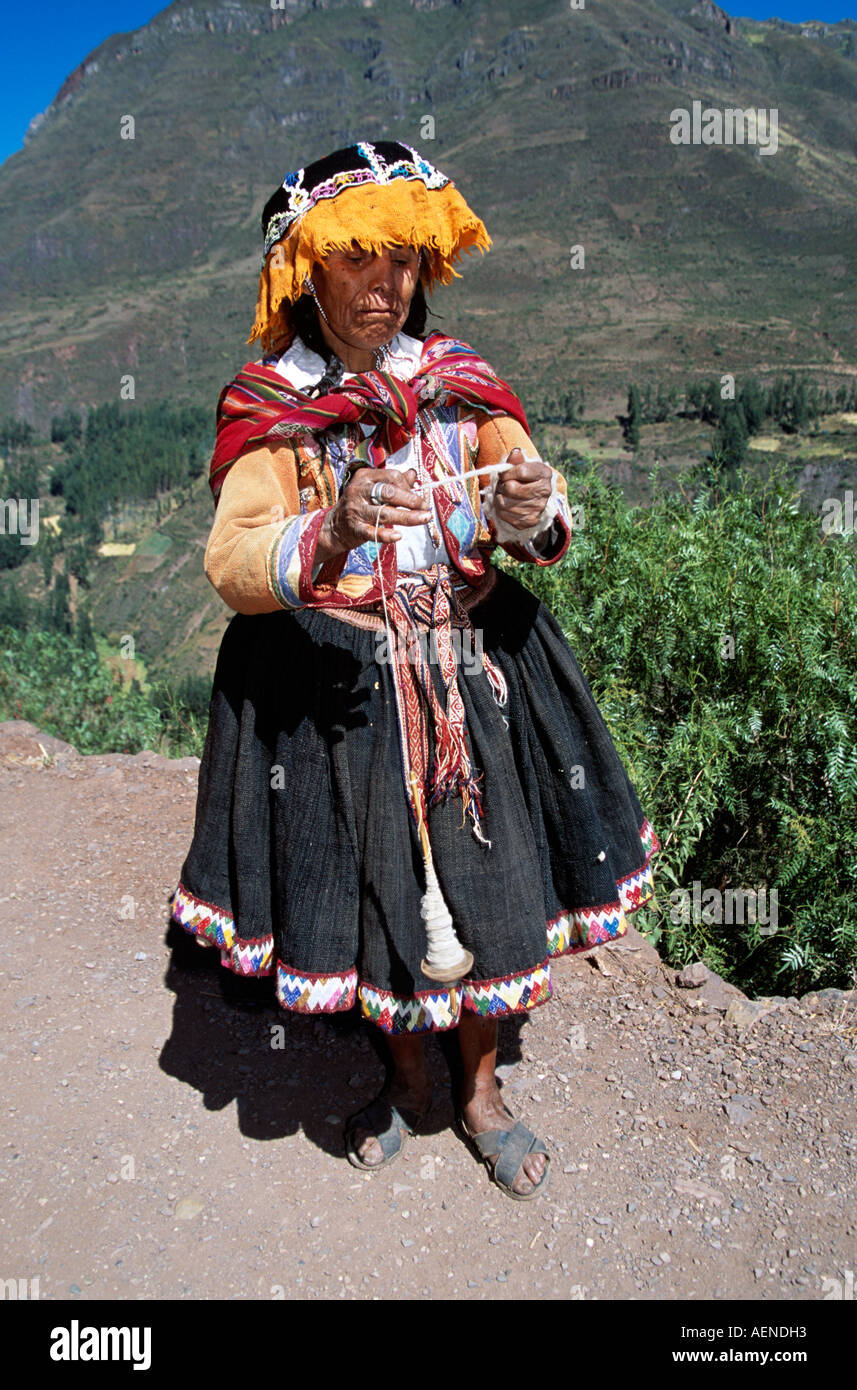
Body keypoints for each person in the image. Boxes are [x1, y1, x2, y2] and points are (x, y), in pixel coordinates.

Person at [170, 140, 659, 1200]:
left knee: (486, 878)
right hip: (332, 686)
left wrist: (533, 513)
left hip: (471, 665)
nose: (385, 283)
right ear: (306, 271)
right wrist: (329, 532)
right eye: (358, 259)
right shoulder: (269, 406)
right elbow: (232, 555)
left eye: (403, 258)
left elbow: (531, 489)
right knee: (366, 892)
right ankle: (399, 1072)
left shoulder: (457, 379)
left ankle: (478, 1088)